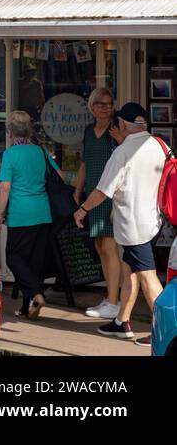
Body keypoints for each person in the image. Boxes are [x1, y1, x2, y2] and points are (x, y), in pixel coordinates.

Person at [75, 102, 168, 342]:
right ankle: (121, 322)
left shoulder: (122, 153)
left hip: (132, 226)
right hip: (154, 221)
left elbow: (102, 191)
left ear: (123, 124)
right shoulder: (160, 145)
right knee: (130, 273)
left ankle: (167, 331)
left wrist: (82, 209)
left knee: (147, 277)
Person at [0, 110, 62, 319]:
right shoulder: (41, 152)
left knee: (14, 259)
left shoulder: (10, 154)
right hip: (43, 213)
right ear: (30, 130)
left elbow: (5, 187)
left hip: (21, 215)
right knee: (34, 262)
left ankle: (36, 294)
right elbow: (59, 175)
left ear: (10, 132)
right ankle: (27, 307)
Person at [74, 87, 125, 321]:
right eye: (100, 104)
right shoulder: (88, 131)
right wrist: (78, 190)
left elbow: (127, 157)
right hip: (92, 194)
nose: (105, 108)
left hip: (109, 194)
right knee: (99, 245)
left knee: (109, 247)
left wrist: (121, 140)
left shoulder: (115, 129)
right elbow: (85, 163)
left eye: (109, 104)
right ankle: (110, 297)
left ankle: (114, 302)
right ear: (92, 106)